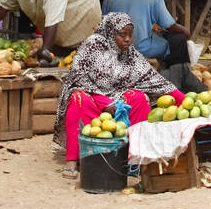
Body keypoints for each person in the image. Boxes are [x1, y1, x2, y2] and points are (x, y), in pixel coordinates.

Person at [54, 13, 185, 179]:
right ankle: (72, 160)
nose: (128, 40)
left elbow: (154, 79)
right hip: (92, 99)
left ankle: (134, 156)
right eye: (122, 35)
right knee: (78, 98)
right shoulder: (92, 46)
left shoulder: (130, 54)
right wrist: (105, 103)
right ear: (110, 32)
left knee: (139, 98)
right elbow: (79, 79)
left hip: (118, 101)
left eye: (130, 35)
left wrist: (184, 100)